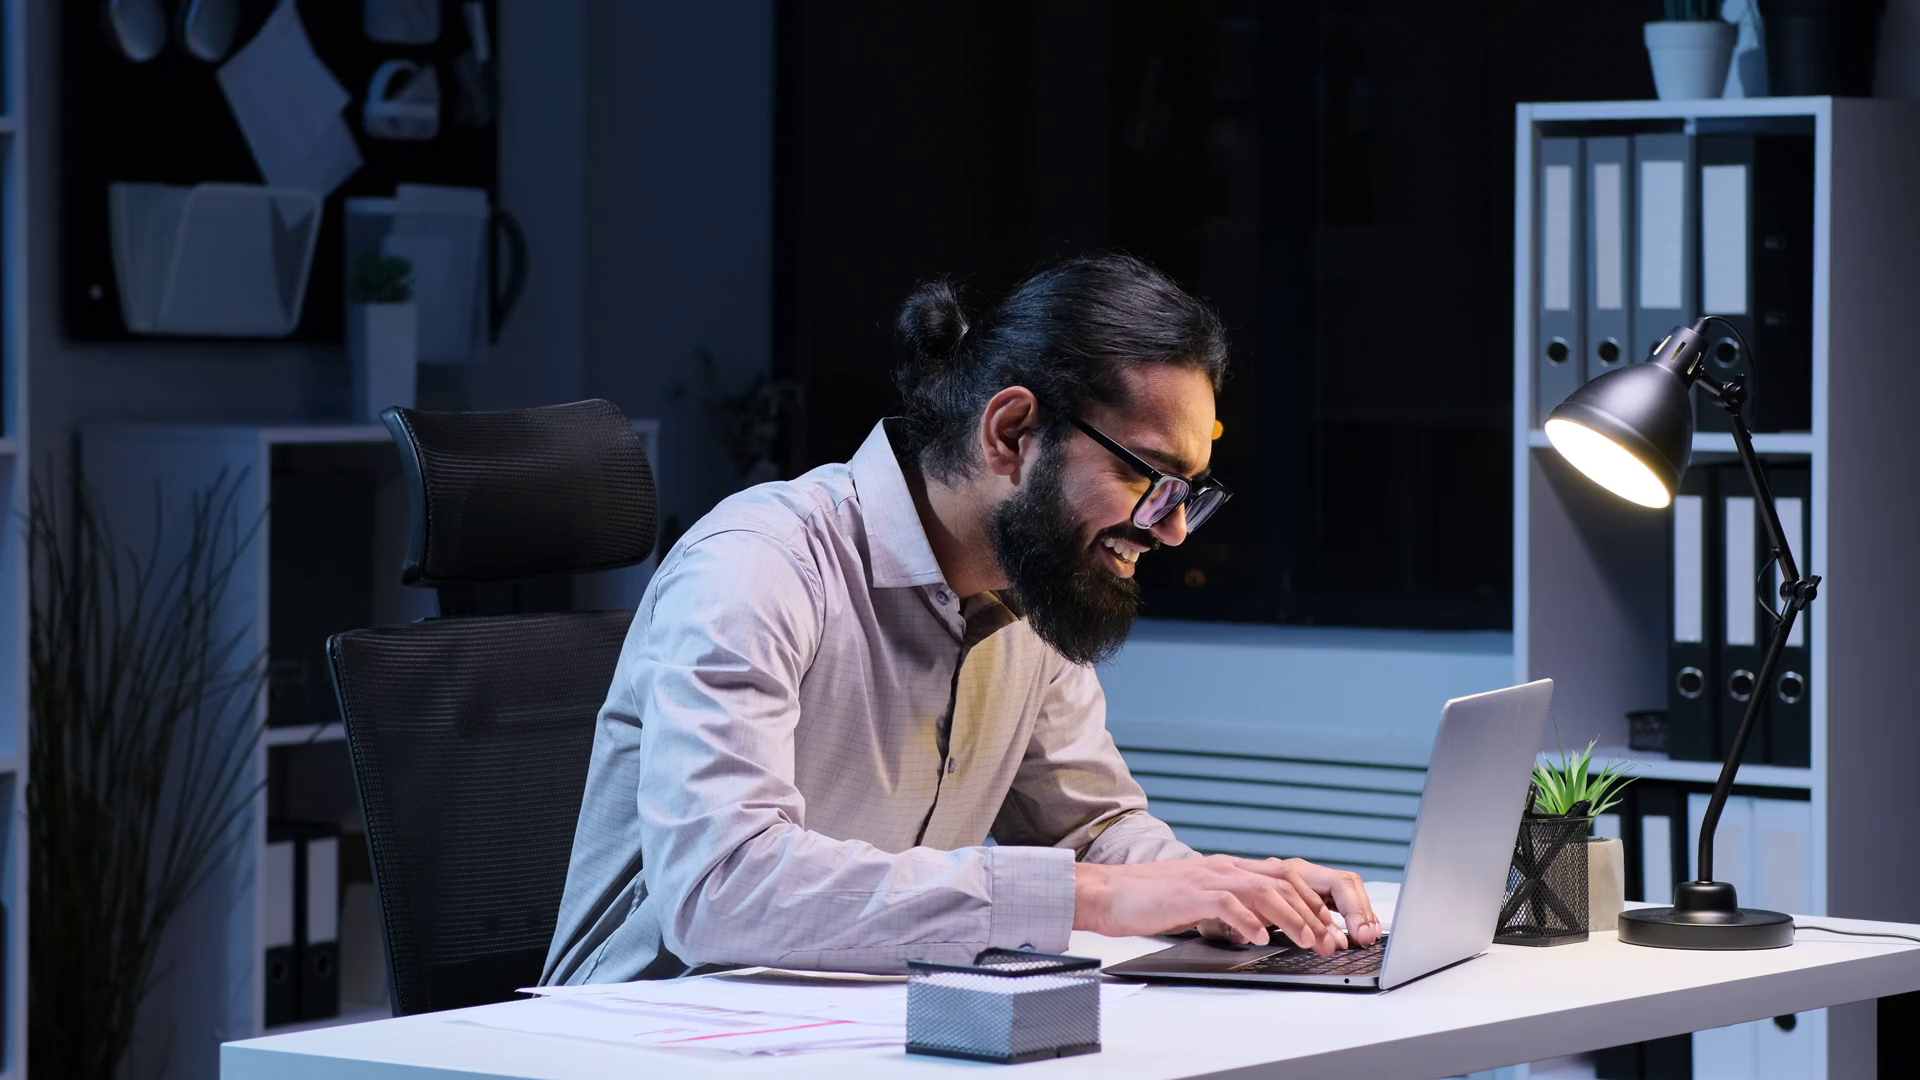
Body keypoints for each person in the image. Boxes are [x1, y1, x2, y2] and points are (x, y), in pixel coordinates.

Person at [542, 253, 1380, 985]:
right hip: (637, 1037)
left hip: (856, 1040)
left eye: (1189, 495)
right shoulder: (758, 564)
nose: (1169, 528)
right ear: (1013, 432)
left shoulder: (1032, 600)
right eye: (1148, 478)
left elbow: (1093, 833)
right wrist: (1098, 897)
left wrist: (1231, 891)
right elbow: (721, 889)